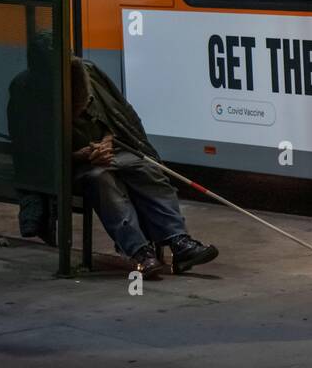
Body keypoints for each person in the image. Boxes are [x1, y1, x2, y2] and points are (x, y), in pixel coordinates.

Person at [70, 57, 218, 279]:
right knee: (102, 180)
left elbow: (116, 115)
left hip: (109, 152)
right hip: (76, 164)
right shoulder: (34, 91)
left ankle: (178, 240)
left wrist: (108, 140)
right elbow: (37, 150)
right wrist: (80, 155)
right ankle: (141, 252)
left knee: (145, 168)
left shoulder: (89, 72)